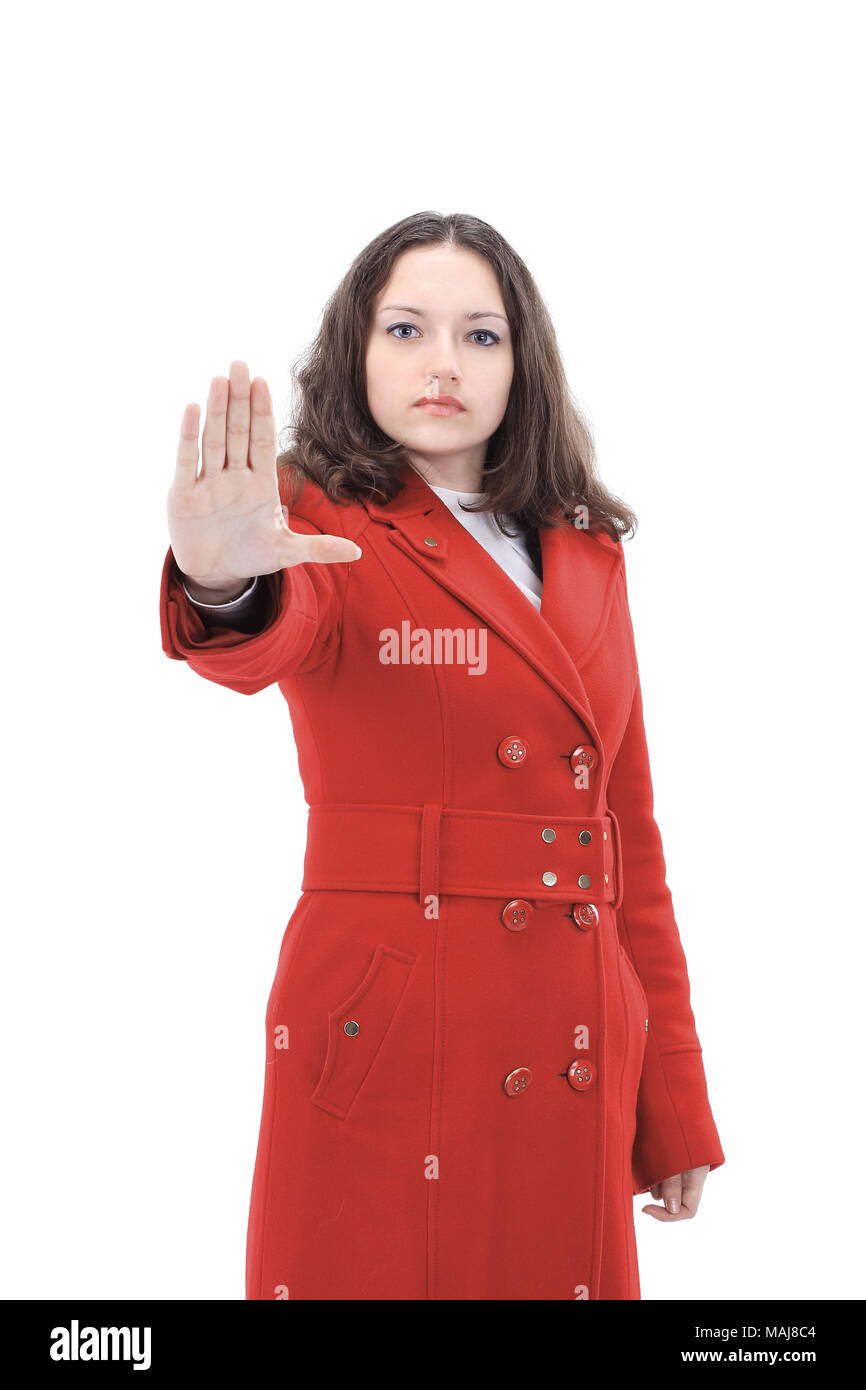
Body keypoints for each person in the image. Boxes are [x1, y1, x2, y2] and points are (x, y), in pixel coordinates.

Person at [160, 211, 725, 1301]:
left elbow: (627, 843)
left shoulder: (584, 546)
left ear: (522, 363)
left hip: (572, 1027)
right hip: (396, 1021)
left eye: (479, 336)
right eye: (405, 329)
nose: (441, 364)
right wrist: (224, 580)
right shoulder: (313, 520)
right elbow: (269, 632)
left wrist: (670, 1103)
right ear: (354, 353)